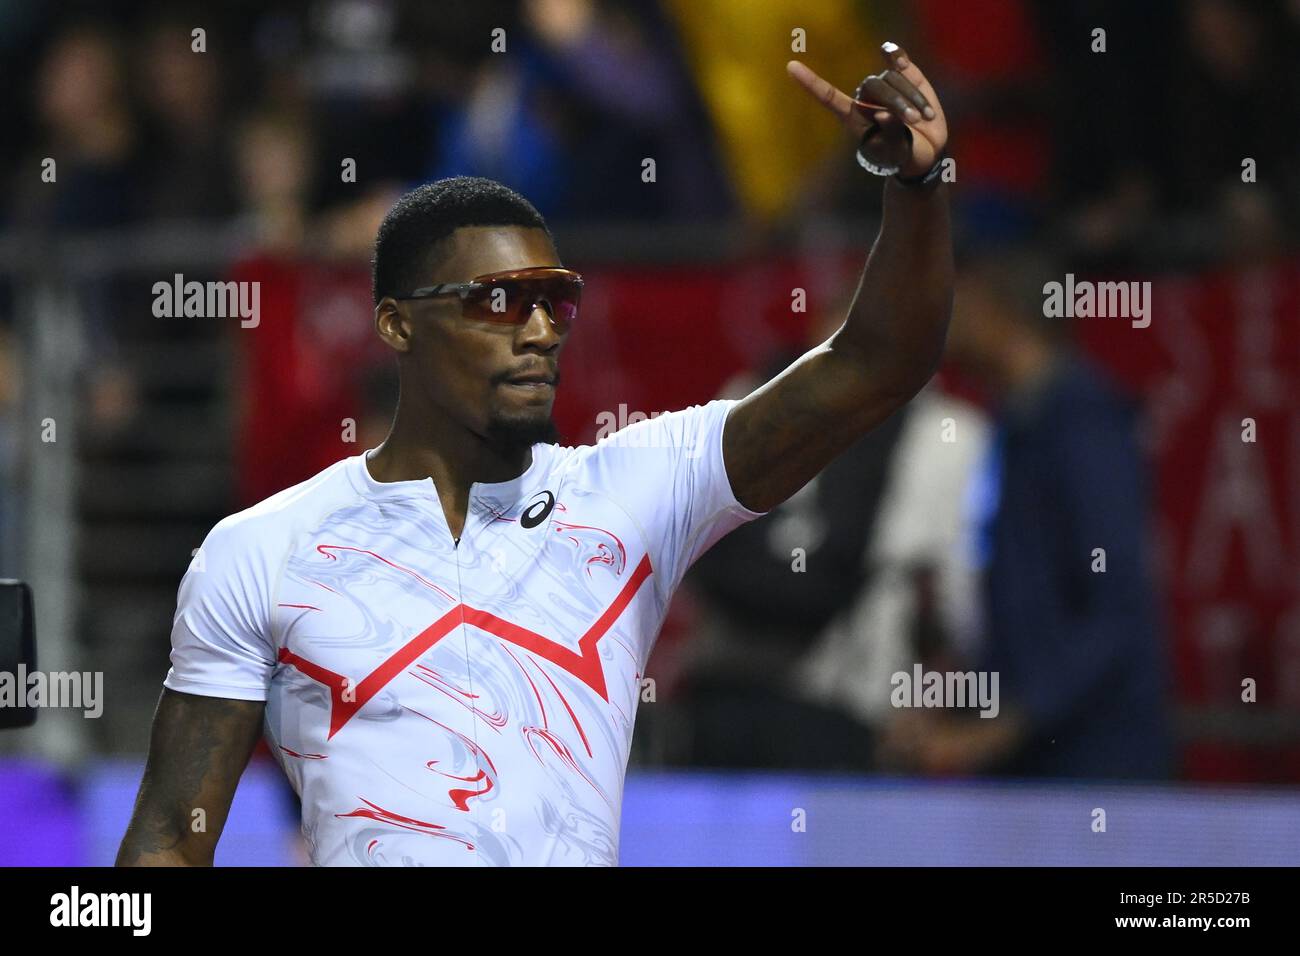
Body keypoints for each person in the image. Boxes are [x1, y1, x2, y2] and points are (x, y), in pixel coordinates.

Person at [117, 41, 954, 866]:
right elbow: (165, 845)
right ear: (397, 323)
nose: (543, 329)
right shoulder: (259, 551)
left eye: (556, 300)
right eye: (500, 302)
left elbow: (877, 365)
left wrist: (914, 188)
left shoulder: (629, 494)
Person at [878, 248, 1173, 780]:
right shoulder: (1013, 426)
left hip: (1097, 773)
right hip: (1032, 770)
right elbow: (1018, 610)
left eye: (960, 301)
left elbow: (1115, 612)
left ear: (998, 311)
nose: (946, 319)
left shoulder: (1084, 426)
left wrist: (996, 732)